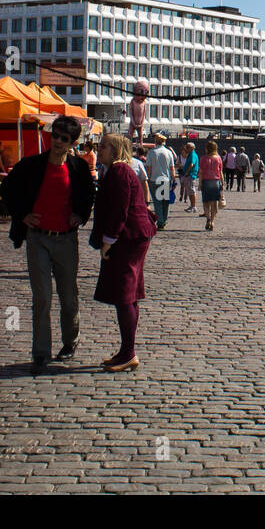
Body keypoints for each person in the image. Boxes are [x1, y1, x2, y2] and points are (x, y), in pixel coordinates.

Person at [2, 115, 95, 374]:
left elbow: (89, 196)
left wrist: (82, 215)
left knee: (68, 295)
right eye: (55, 136)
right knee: (42, 296)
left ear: (72, 143)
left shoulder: (78, 168)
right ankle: (41, 351)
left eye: (64, 139)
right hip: (38, 238)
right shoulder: (31, 165)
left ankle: (70, 341)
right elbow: (7, 189)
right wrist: (22, 215)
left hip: (66, 239)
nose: (57, 142)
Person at [89, 133, 155, 372]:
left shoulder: (119, 171)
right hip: (132, 237)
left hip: (128, 238)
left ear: (115, 150)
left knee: (125, 294)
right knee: (128, 295)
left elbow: (119, 209)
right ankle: (126, 350)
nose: (100, 149)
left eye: (104, 146)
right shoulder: (117, 171)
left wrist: (108, 240)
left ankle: (128, 352)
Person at [146, 134, 177, 229]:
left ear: (156, 141)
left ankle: (160, 221)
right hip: (165, 179)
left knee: (157, 202)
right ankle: (164, 219)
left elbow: (148, 168)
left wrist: (148, 178)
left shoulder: (151, 152)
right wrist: (174, 179)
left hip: (155, 179)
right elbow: (172, 168)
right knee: (165, 202)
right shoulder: (168, 152)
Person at [199, 141, 224, 231]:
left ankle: (208, 219)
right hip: (215, 181)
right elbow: (220, 172)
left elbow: (201, 172)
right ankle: (212, 221)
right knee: (214, 203)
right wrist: (222, 183)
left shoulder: (203, 158)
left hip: (206, 182)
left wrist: (200, 183)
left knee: (206, 202)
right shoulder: (218, 158)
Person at [179, 142, 199, 213]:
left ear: (192, 148)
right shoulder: (190, 154)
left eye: (187, 147)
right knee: (189, 191)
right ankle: (192, 206)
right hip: (189, 175)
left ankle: (193, 206)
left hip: (191, 175)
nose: (186, 148)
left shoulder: (193, 155)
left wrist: (187, 172)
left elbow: (191, 164)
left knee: (191, 191)